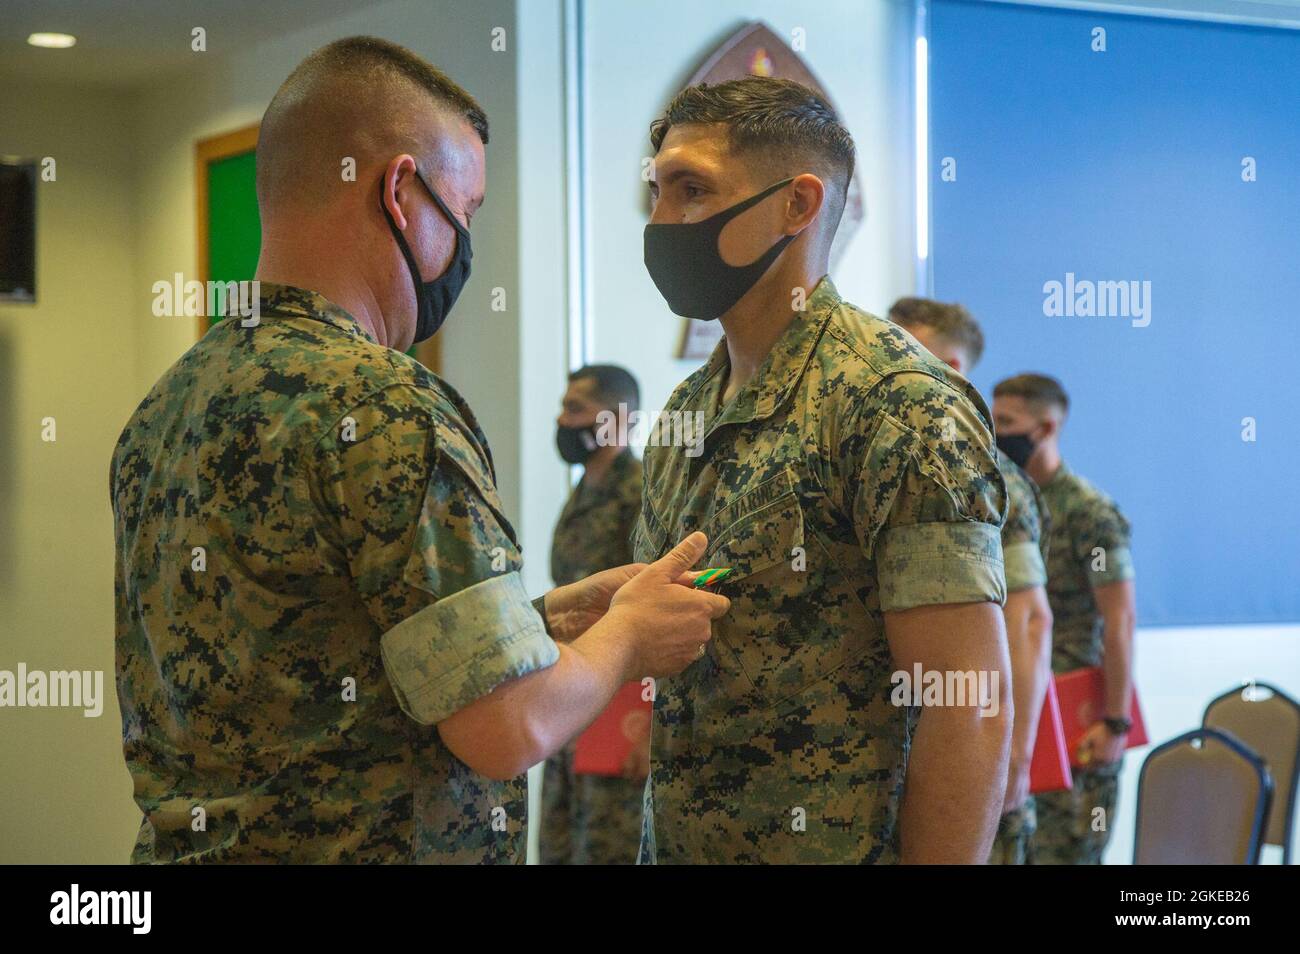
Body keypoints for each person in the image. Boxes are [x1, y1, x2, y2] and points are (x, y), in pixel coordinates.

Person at [108, 36, 727, 864]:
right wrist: (632, 637)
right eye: (464, 212)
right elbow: (505, 728)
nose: (465, 246)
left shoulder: (166, 406)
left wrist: (541, 624)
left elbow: (305, 662)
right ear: (401, 191)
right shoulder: (387, 404)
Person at [635, 77, 1012, 864]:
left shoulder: (895, 404)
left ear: (797, 206)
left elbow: (965, 698)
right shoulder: (684, 412)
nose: (661, 221)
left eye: (692, 190)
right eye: (657, 189)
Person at [889, 298, 1054, 865]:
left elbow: (1029, 622)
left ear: (952, 370)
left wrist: (1014, 759)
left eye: (904, 353)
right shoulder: (878, 460)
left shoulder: (994, 477)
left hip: (973, 757)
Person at [992, 373, 1137, 865]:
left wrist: (1115, 722)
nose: (995, 430)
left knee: (1067, 852)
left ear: (1047, 426)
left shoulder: (1089, 512)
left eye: (1007, 422)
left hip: (1078, 719)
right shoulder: (1004, 500)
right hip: (1022, 711)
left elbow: (1119, 619)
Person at [541, 365, 650, 865]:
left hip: (621, 701)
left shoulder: (642, 492)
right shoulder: (582, 489)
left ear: (618, 419)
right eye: (564, 407)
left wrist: (648, 726)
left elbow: (657, 608)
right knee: (561, 844)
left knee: (606, 846)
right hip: (570, 694)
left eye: (576, 409)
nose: (564, 420)